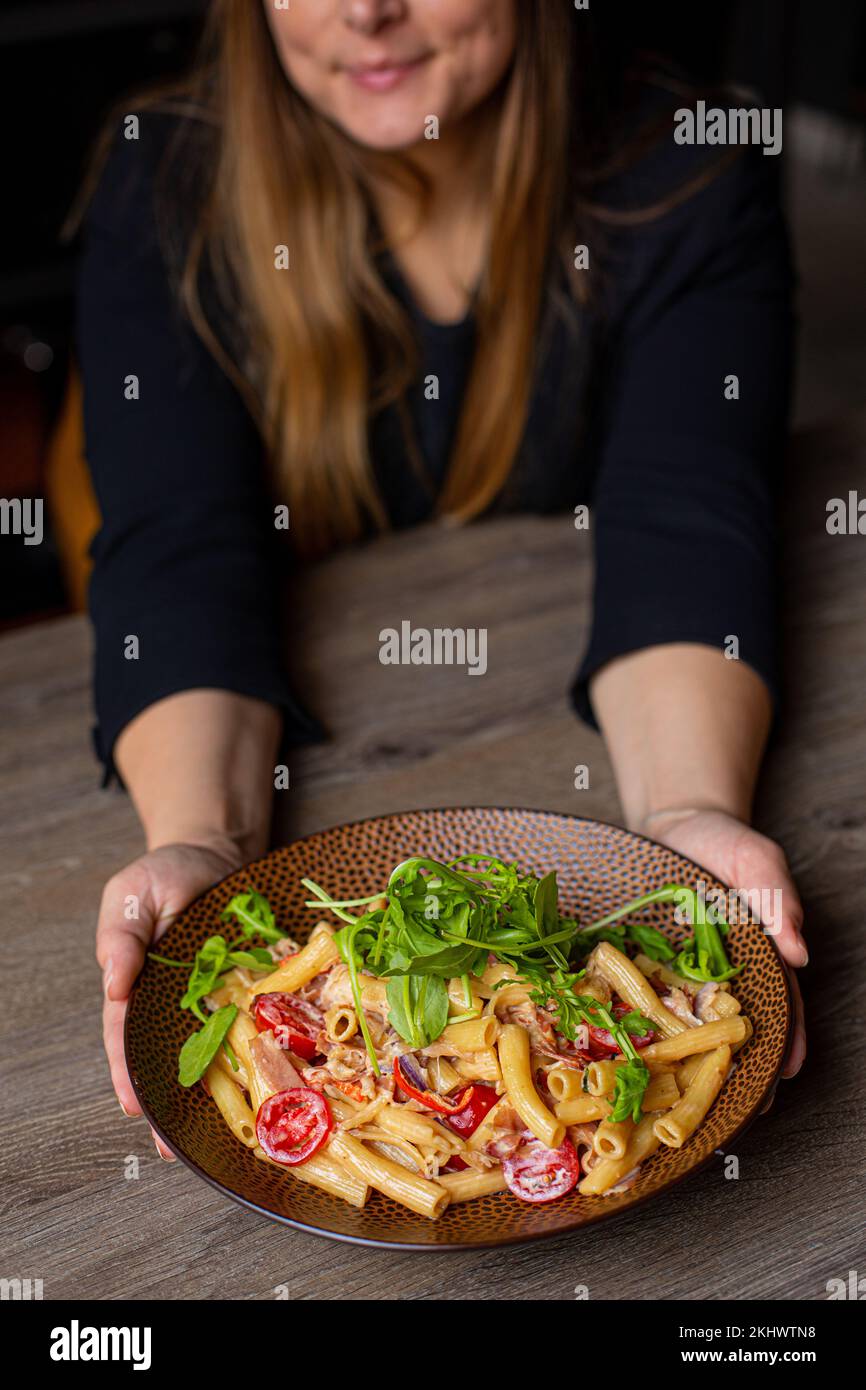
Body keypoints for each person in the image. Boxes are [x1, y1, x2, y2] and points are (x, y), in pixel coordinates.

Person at [79, 1, 806, 1157]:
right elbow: (178, 542)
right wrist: (203, 848)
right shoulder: (166, 182)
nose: (365, 9)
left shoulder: (687, 163)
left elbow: (685, 515)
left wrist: (684, 817)